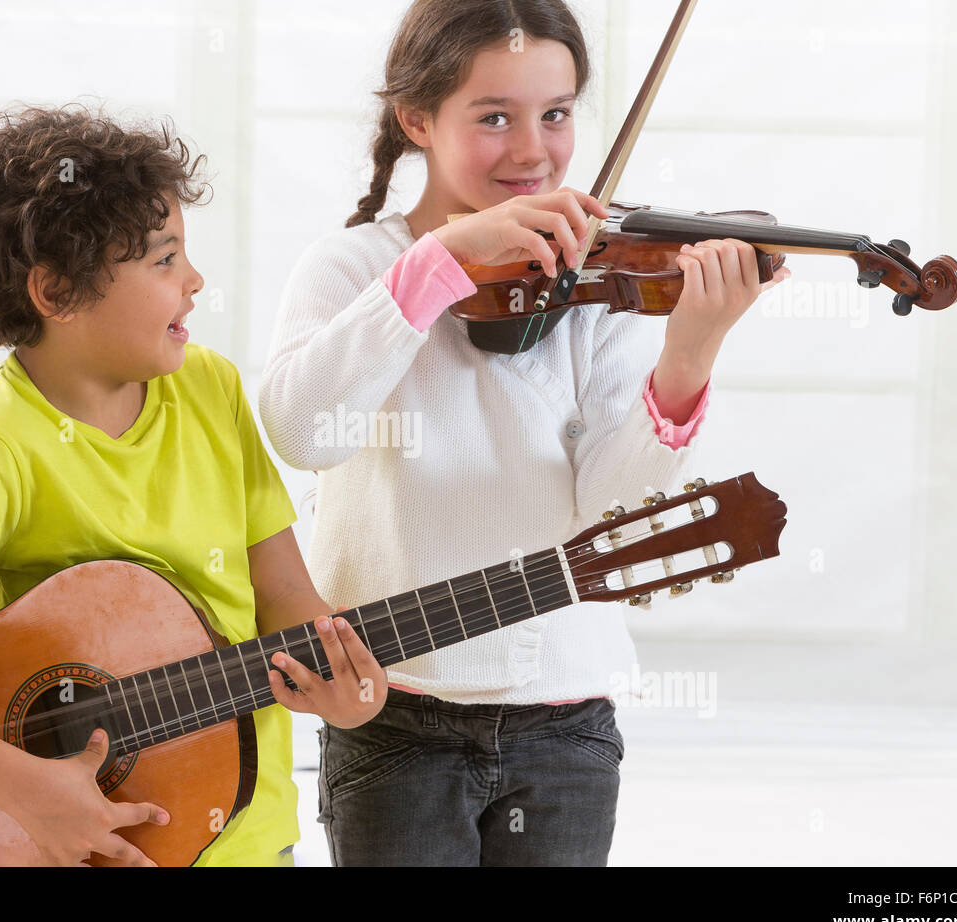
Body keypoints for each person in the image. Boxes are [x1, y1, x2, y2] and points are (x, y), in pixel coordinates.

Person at [258, 0, 789, 865]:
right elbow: (302, 432)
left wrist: (688, 353)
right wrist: (439, 266)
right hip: (396, 715)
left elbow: (611, 511)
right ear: (417, 117)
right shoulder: (351, 267)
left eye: (557, 113)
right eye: (494, 116)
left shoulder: (598, 284)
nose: (533, 149)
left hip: (565, 719)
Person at [0, 103, 385, 867]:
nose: (196, 280)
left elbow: (285, 600)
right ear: (58, 293)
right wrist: (26, 788)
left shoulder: (211, 389)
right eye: (164, 259)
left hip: (250, 839)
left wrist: (352, 692)